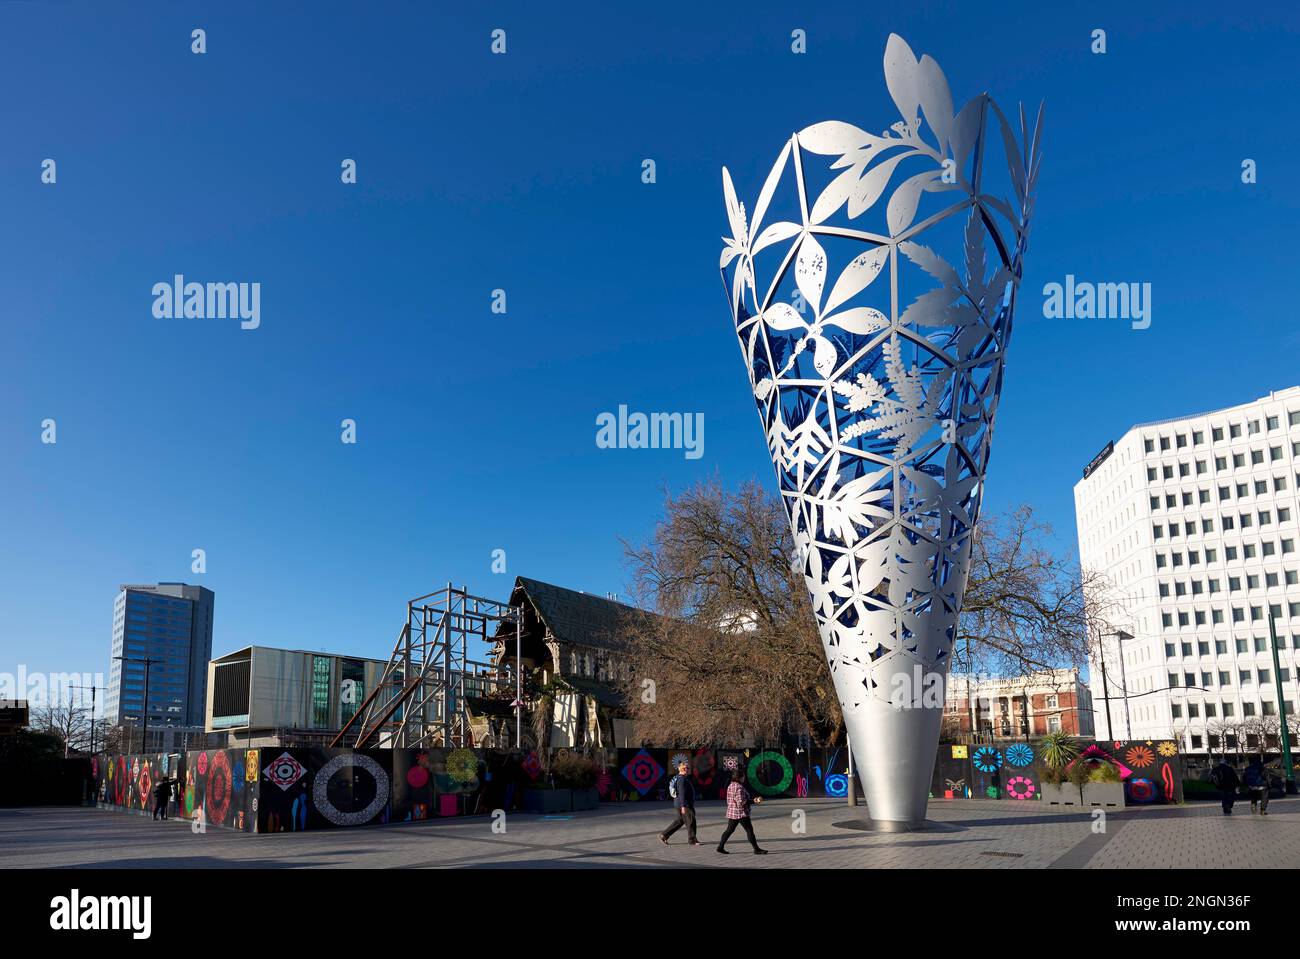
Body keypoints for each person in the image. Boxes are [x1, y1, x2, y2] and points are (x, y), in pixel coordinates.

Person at [717, 768, 767, 855]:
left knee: (729, 830)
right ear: (739, 777)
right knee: (749, 830)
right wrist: (755, 800)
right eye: (743, 776)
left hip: (732, 812)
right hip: (740, 813)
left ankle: (720, 847)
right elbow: (741, 802)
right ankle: (756, 849)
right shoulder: (739, 787)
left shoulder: (731, 785)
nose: (744, 777)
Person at [658, 760, 699, 846]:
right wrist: (683, 806)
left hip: (679, 803)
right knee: (691, 821)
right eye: (685, 768)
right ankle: (692, 840)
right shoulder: (682, 779)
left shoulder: (678, 778)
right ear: (681, 769)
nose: (687, 769)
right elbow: (682, 793)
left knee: (679, 821)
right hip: (685, 804)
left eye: (688, 768)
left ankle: (664, 835)